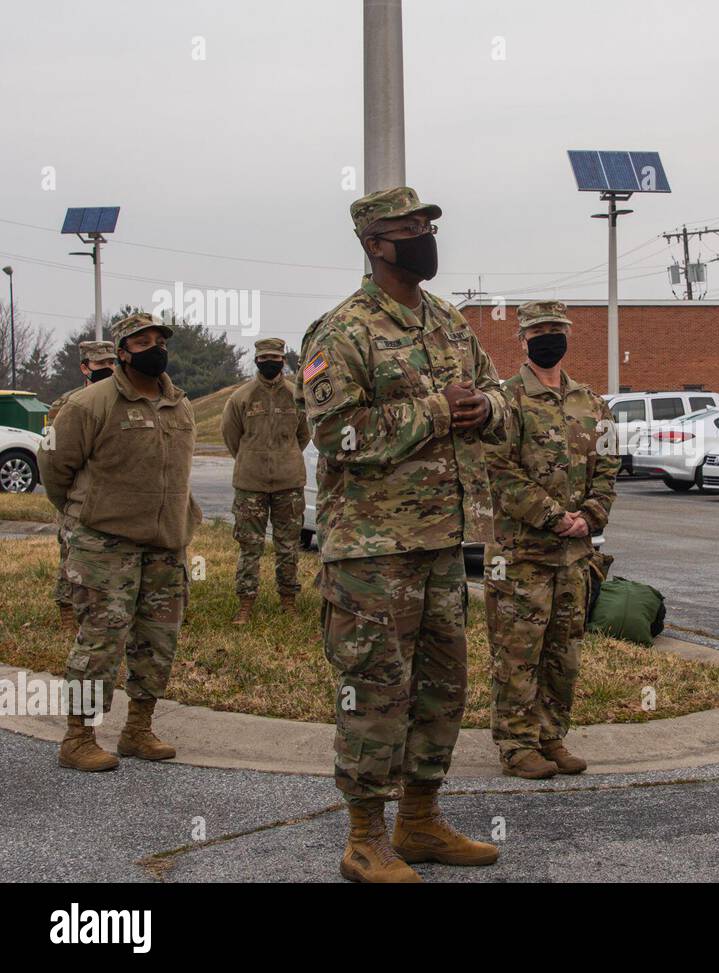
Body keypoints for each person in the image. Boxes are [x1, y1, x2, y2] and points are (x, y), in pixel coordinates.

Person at [300, 186, 503, 883]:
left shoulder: (448, 322)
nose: (424, 235)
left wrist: (485, 407)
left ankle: (419, 820)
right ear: (374, 243)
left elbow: (495, 393)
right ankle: (364, 837)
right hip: (370, 553)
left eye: (428, 224)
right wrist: (438, 411)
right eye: (409, 227)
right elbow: (336, 434)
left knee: (443, 688)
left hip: (441, 543)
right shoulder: (343, 331)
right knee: (376, 692)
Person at [37, 313, 200, 772]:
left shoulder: (180, 404)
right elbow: (54, 467)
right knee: (101, 642)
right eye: (142, 341)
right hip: (106, 546)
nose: (154, 347)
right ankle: (78, 737)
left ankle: (138, 729)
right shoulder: (90, 404)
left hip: (166, 544)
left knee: (157, 640)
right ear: (122, 351)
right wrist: (83, 513)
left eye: (159, 340)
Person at [483, 301, 618, 779]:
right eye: (538, 332)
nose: (548, 338)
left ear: (568, 336)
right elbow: (498, 471)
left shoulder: (593, 404)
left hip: (574, 557)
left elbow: (608, 468)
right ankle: (517, 746)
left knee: (564, 652)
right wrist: (553, 516)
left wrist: (590, 516)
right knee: (518, 653)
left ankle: (550, 736)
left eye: (555, 330)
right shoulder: (506, 401)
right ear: (522, 340)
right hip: (522, 555)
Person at [221, 336, 310, 624]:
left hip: (289, 482)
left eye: (275, 358)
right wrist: (251, 458)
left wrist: (286, 456)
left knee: (288, 547)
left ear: (283, 361)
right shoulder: (242, 397)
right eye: (264, 359)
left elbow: (304, 435)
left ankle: (289, 601)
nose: (270, 363)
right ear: (257, 361)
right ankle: (245, 603)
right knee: (250, 546)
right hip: (251, 484)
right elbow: (231, 436)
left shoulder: (296, 395)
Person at [45, 340, 119, 634]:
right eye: (102, 364)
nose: (109, 368)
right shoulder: (64, 406)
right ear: (85, 367)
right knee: (71, 554)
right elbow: (53, 456)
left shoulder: (121, 400)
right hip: (79, 493)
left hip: (112, 493)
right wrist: (65, 498)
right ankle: (66, 612)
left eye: (112, 362)